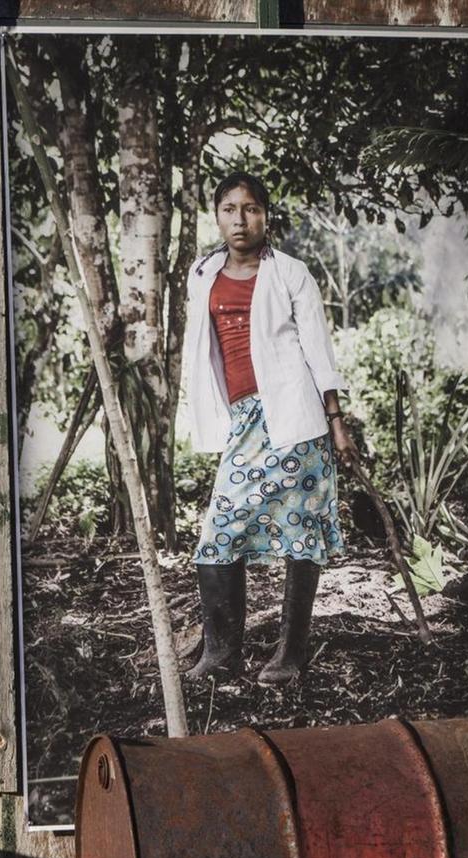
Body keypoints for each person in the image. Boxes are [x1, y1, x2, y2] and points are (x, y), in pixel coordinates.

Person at [179, 173, 356, 686]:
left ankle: (290, 655)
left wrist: (337, 423)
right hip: (243, 420)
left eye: (251, 208)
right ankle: (222, 654)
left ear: (266, 216)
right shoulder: (202, 273)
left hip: (294, 419)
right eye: (230, 209)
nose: (241, 219)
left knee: (300, 533)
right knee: (220, 532)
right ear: (217, 217)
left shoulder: (291, 273)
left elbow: (317, 350)